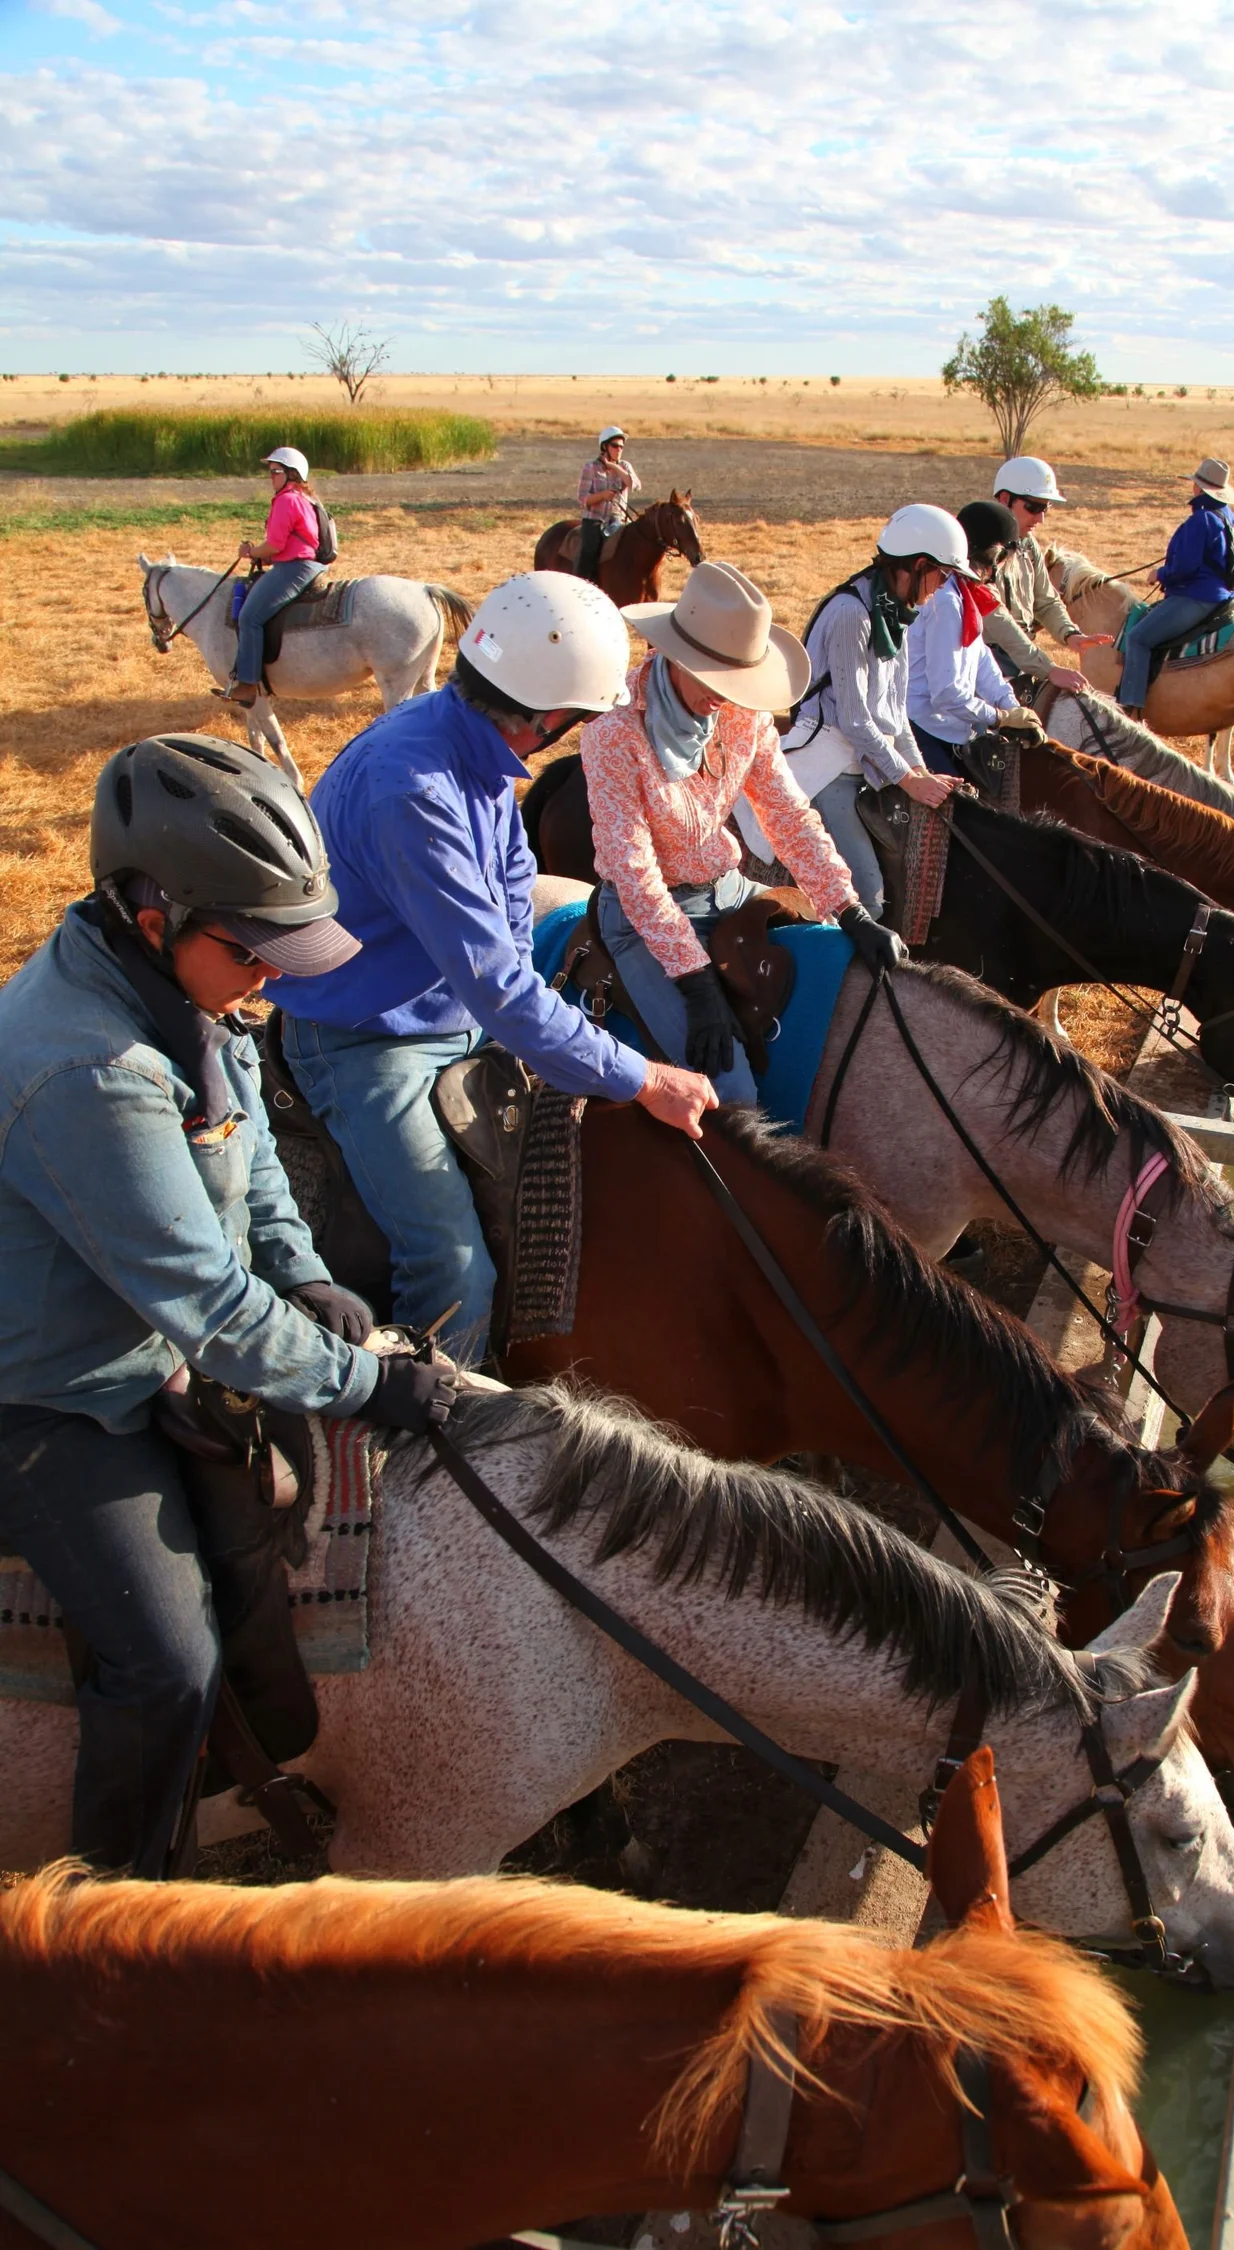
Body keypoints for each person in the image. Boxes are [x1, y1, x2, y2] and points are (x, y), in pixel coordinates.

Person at [0, 735, 458, 1880]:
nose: (277, 977)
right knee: (166, 1663)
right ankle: (105, 1921)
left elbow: (246, 1153)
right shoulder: (91, 1069)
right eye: (255, 952)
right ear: (153, 914)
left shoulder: (189, 996)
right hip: (59, 1396)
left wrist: (301, 1268)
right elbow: (205, 1304)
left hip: (150, 1341)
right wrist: (370, 1385)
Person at [277, 572, 717, 1364]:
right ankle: (441, 1439)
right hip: (365, 1041)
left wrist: (528, 1021)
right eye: (579, 720)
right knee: (453, 1271)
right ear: (547, 720)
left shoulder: (468, 748)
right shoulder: (411, 788)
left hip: (459, 1017)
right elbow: (499, 984)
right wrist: (645, 1078)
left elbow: (514, 890)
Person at [579, 561, 895, 1104]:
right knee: (733, 1093)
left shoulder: (742, 718)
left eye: (736, 680)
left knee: (841, 982)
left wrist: (848, 908)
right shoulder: (613, 736)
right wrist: (696, 981)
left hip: (729, 891)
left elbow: (790, 817)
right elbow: (635, 875)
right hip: (644, 918)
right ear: (674, 656)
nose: (725, 696)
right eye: (712, 677)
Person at [779, 504, 969, 917]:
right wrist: (906, 778)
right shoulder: (853, 614)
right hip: (828, 764)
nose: (943, 585)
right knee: (868, 895)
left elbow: (896, 715)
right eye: (945, 574)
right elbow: (855, 720)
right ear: (919, 565)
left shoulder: (894, 612)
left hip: (864, 759)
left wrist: (919, 772)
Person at [1116, 458, 1234, 719]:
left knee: (1138, 638)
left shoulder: (1201, 520)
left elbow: (1186, 567)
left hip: (1197, 597)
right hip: (1225, 596)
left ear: (1198, 488)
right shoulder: (1231, 517)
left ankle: (1130, 709)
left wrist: (1159, 574)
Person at [905, 501, 1023, 775]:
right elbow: (946, 693)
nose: (998, 570)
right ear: (993, 556)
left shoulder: (963, 593)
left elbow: (980, 658)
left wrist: (1011, 705)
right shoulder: (947, 602)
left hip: (952, 728)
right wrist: (1000, 718)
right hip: (923, 728)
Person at [984, 456, 1107, 697]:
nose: (1040, 518)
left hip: (1020, 658)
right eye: (1034, 507)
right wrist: (1047, 668)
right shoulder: (980, 552)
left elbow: (1046, 600)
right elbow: (997, 621)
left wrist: (1070, 634)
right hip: (984, 661)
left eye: (1046, 508)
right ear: (1005, 499)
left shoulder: (1028, 546)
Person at [223, 446, 326, 708]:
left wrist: (251, 552)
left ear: (291, 474)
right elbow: (288, 544)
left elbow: (276, 544)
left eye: (275, 471)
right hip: (302, 564)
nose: (271, 476)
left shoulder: (286, 500)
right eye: (270, 472)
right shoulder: (302, 498)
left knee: (249, 617)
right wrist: (264, 556)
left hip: (293, 568)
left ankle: (247, 685)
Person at [576, 424, 642, 580]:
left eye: (621, 447)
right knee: (590, 550)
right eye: (615, 446)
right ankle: (583, 583)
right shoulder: (590, 468)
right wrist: (602, 496)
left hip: (618, 520)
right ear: (604, 446)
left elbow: (635, 485)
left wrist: (613, 466)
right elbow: (582, 499)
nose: (619, 449)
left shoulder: (625, 466)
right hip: (595, 520)